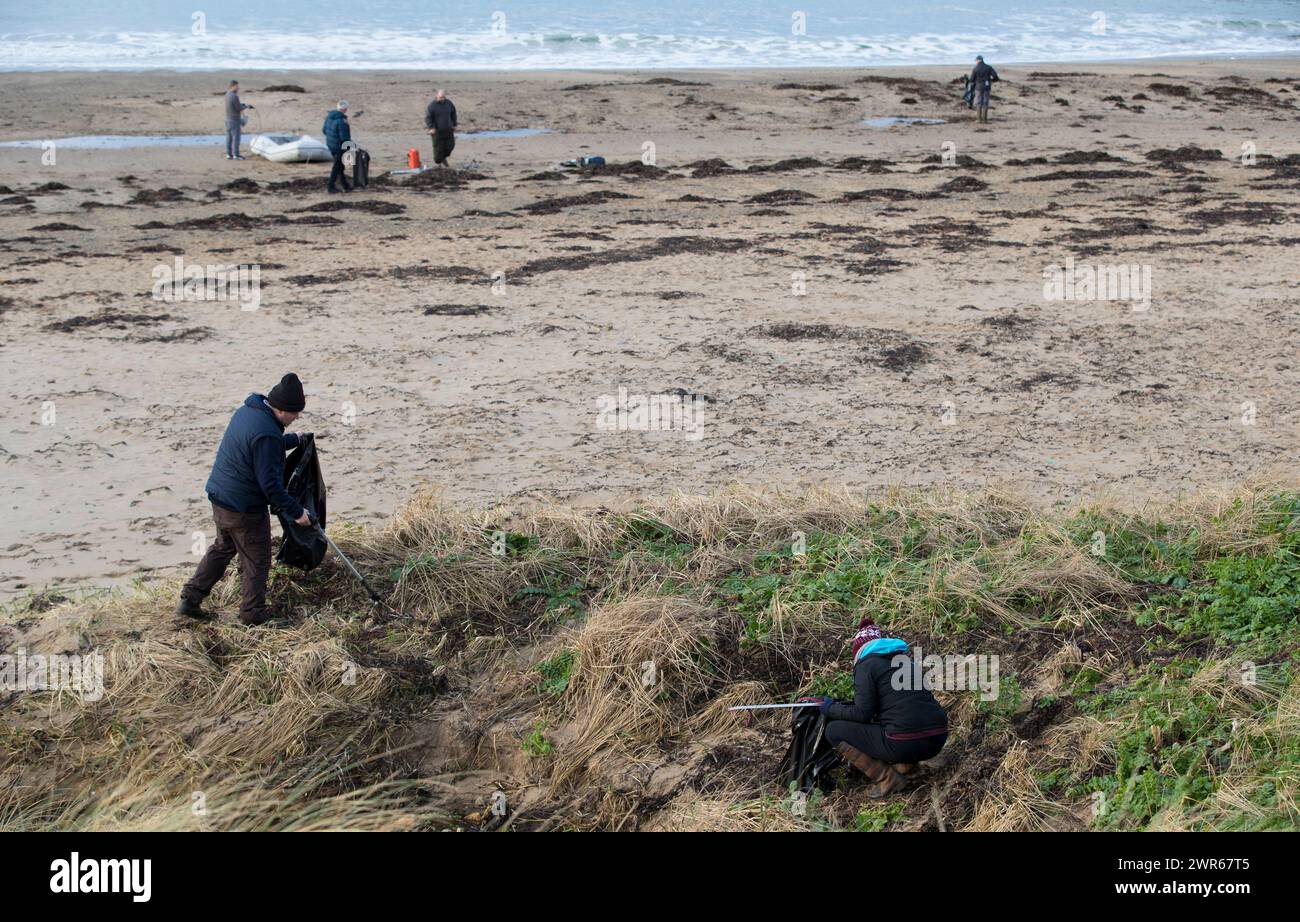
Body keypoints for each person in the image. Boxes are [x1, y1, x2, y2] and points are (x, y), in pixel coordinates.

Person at [177, 374, 313, 626]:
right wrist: (297, 513)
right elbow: (270, 485)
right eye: (294, 413)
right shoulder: (267, 434)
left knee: (222, 548)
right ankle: (253, 616)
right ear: (281, 409)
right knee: (257, 560)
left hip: (220, 497)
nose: (296, 418)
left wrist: (294, 439)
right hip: (244, 508)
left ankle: (190, 599)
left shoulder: (249, 412)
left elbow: (258, 446)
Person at [808, 617, 949, 797]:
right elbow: (901, 705)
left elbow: (862, 714)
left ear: (858, 649)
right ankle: (908, 767)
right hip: (938, 737)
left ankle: (887, 779)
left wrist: (829, 707)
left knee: (834, 730)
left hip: (906, 743)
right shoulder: (905, 660)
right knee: (896, 719)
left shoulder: (866, 665)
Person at [323, 100, 353, 193]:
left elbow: (324, 130)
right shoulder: (342, 121)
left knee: (339, 166)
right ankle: (330, 187)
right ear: (345, 109)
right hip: (339, 147)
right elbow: (344, 137)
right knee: (337, 166)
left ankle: (345, 185)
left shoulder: (329, 117)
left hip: (330, 144)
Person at [424, 89, 458, 167]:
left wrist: (454, 124)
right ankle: (439, 163)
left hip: (448, 129)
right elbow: (428, 118)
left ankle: (443, 158)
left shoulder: (449, 103)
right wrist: (431, 128)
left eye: (443, 97)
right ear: (436, 96)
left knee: (450, 146)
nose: (442, 99)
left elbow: (453, 113)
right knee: (438, 149)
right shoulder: (432, 106)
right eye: (440, 97)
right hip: (437, 131)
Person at [224, 80, 253, 160]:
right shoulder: (234, 96)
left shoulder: (227, 94)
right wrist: (246, 106)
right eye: (237, 86)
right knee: (236, 138)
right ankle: (236, 155)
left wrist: (244, 105)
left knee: (229, 138)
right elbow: (238, 108)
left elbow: (235, 105)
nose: (238, 88)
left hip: (227, 120)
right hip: (234, 121)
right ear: (232, 86)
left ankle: (229, 155)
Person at [970, 54, 999, 123]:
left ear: (977, 60)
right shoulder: (989, 67)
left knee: (979, 102)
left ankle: (979, 119)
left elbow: (971, 79)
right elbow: (995, 76)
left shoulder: (975, 68)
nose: (976, 62)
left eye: (976, 61)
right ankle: (985, 120)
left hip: (978, 87)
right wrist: (991, 81)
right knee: (985, 102)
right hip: (987, 87)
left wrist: (974, 83)